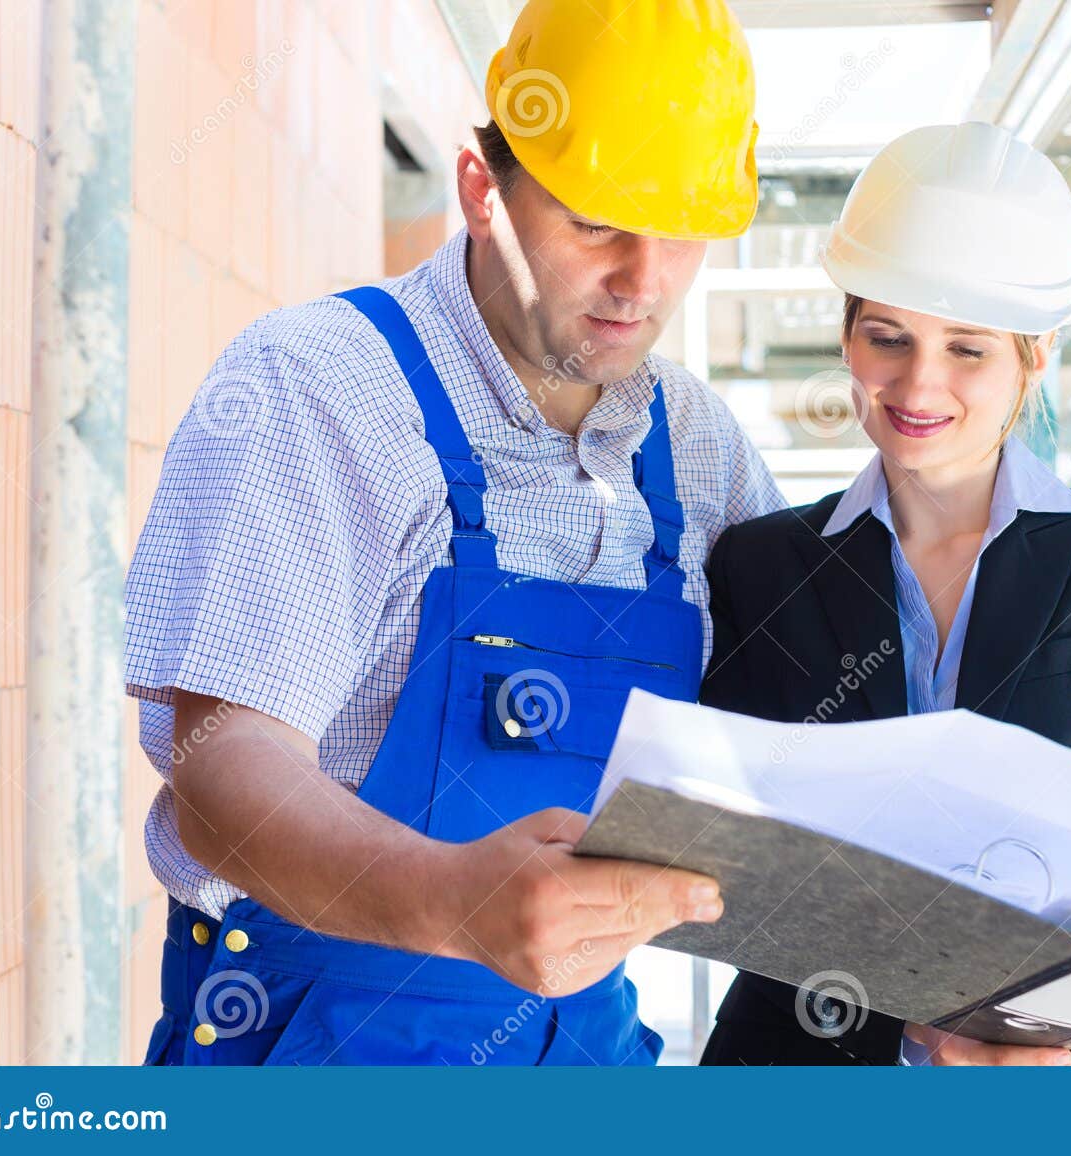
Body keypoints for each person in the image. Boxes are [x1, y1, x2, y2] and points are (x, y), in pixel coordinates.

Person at [126, 0, 783, 1066]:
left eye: (682, 232)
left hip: (578, 1053)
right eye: (597, 223)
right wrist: (452, 901)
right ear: (483, 190)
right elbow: (223, 769)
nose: (643, 281)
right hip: (316, 1044)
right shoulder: (320, 390)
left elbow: (797, 744)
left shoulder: (699, 449)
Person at [695, 122, 1071, 1067]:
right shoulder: (760, 567)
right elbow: (739, 867)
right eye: (888, 338)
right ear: (846, 335)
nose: (919, 382)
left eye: (968, 350)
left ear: (1034, 356)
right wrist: (924, 1013)